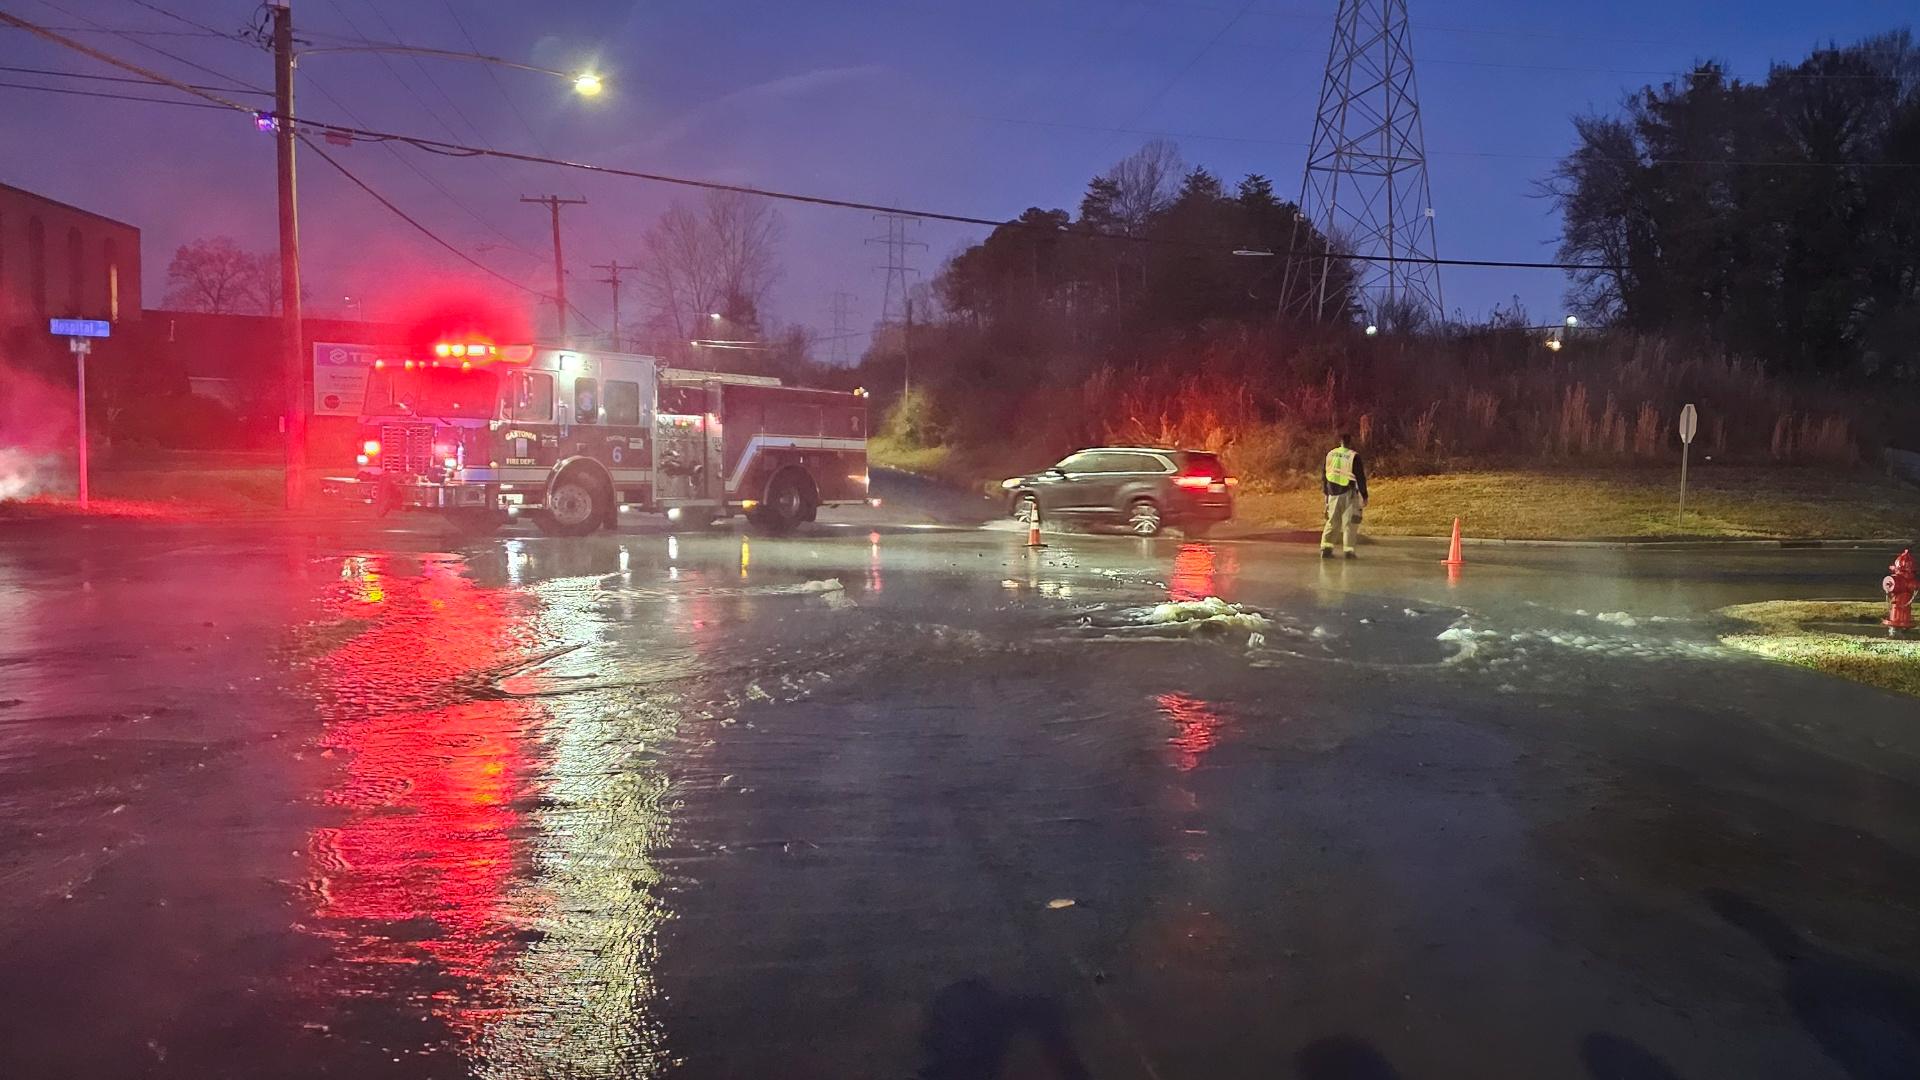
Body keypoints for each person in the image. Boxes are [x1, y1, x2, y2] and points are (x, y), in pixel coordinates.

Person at [1320, 432, 1368, 559]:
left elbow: (1324, 475)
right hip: (1349, 493)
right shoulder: (1353, 456)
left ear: (1339, 442)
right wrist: (1364, 495)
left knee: (1332, 521)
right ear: (1350, 442)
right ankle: (1348, 551)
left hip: (1332, 493)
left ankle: (1326, 548)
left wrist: (1326, 492)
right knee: (1350, 523)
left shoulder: (1330, 454)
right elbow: (1360, 477)